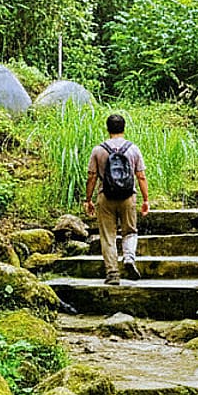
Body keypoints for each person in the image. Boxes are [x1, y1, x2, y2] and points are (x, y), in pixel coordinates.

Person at [84, 113, 149, 285]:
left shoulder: (98, 150)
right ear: (124, 128)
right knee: (130, 231)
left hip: (105, 197)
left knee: (108, 236)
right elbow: (141, 176)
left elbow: (92, 177)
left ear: (107, 129)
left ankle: (112, 274)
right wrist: (145, 200)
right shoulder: (133, 149)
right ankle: (129, 258)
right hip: (128, 196)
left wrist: (88, 199)